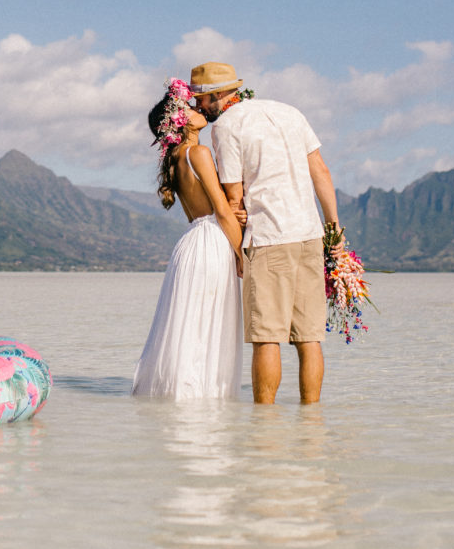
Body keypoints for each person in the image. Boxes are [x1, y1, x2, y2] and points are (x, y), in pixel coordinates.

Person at [191, 61, 341, 405]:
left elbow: (233, 196)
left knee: (266, 337)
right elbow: (321, 170)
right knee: (309, 338)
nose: (198, 107)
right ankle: (312, 421)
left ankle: (264, 423)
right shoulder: (290, 112)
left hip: (268, 237)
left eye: (200, 100)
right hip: (309, 234)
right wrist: (334, 229)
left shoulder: (226, 126)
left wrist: (236, 249)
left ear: (216, 96)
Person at [131, 79, 246, 399]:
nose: (197, 108)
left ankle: (178, 395)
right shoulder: (198, 153)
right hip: (212, 243)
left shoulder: (176, 159)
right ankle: (202, 398)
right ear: (179, 120)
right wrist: (242, 254)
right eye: (189, 107)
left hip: (192, 242)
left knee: (188, 323)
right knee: (208, 323)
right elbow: (221, 211)